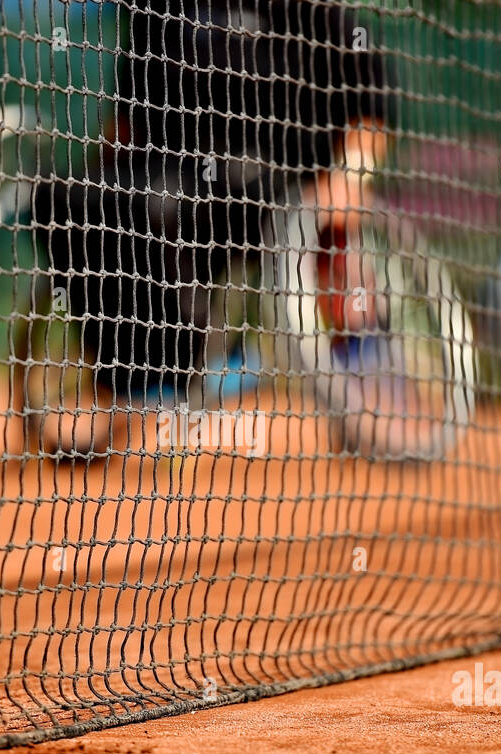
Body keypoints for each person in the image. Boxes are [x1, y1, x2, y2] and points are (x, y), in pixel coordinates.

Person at [23, 0, 395, 456]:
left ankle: (195, 372)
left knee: (161, 204)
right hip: (170, 173)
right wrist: (92, 193)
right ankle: (126, 384)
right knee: (63, 200)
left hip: (272, 183)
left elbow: (371, 102)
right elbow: (127, 121)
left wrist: (351, 174)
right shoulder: (158, 12)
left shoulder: (310, 10)